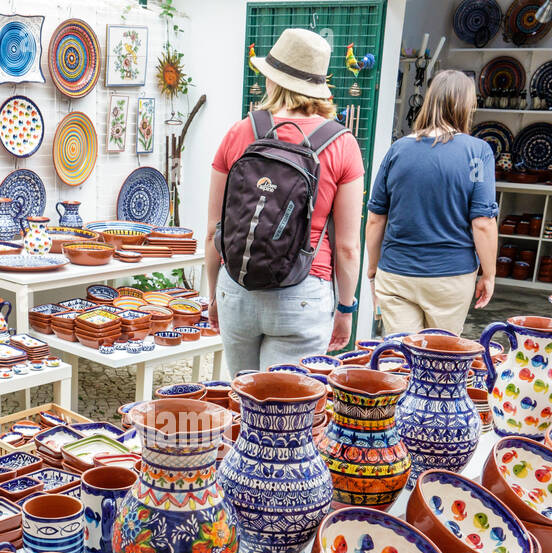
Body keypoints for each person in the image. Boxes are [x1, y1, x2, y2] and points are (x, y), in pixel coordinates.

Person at [204, 27, 364, 374]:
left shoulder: (239, 132)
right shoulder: (342, 143)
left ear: (272, 79)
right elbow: (349, 247)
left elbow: (214, 230)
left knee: (244, 403)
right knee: (287, 417)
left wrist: (214, 295)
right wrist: (346, 310)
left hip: (238, 284)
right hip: (304, 291)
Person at [365, 69, 499, 335]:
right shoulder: (477, 152)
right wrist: (489, 274)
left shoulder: (398, 149)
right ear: (465, 106)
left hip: (397, 273)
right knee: (441, 363)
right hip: (450, 277)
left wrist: (373, 269)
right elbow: (483, 223)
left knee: (400, 360)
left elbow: (375, 217)